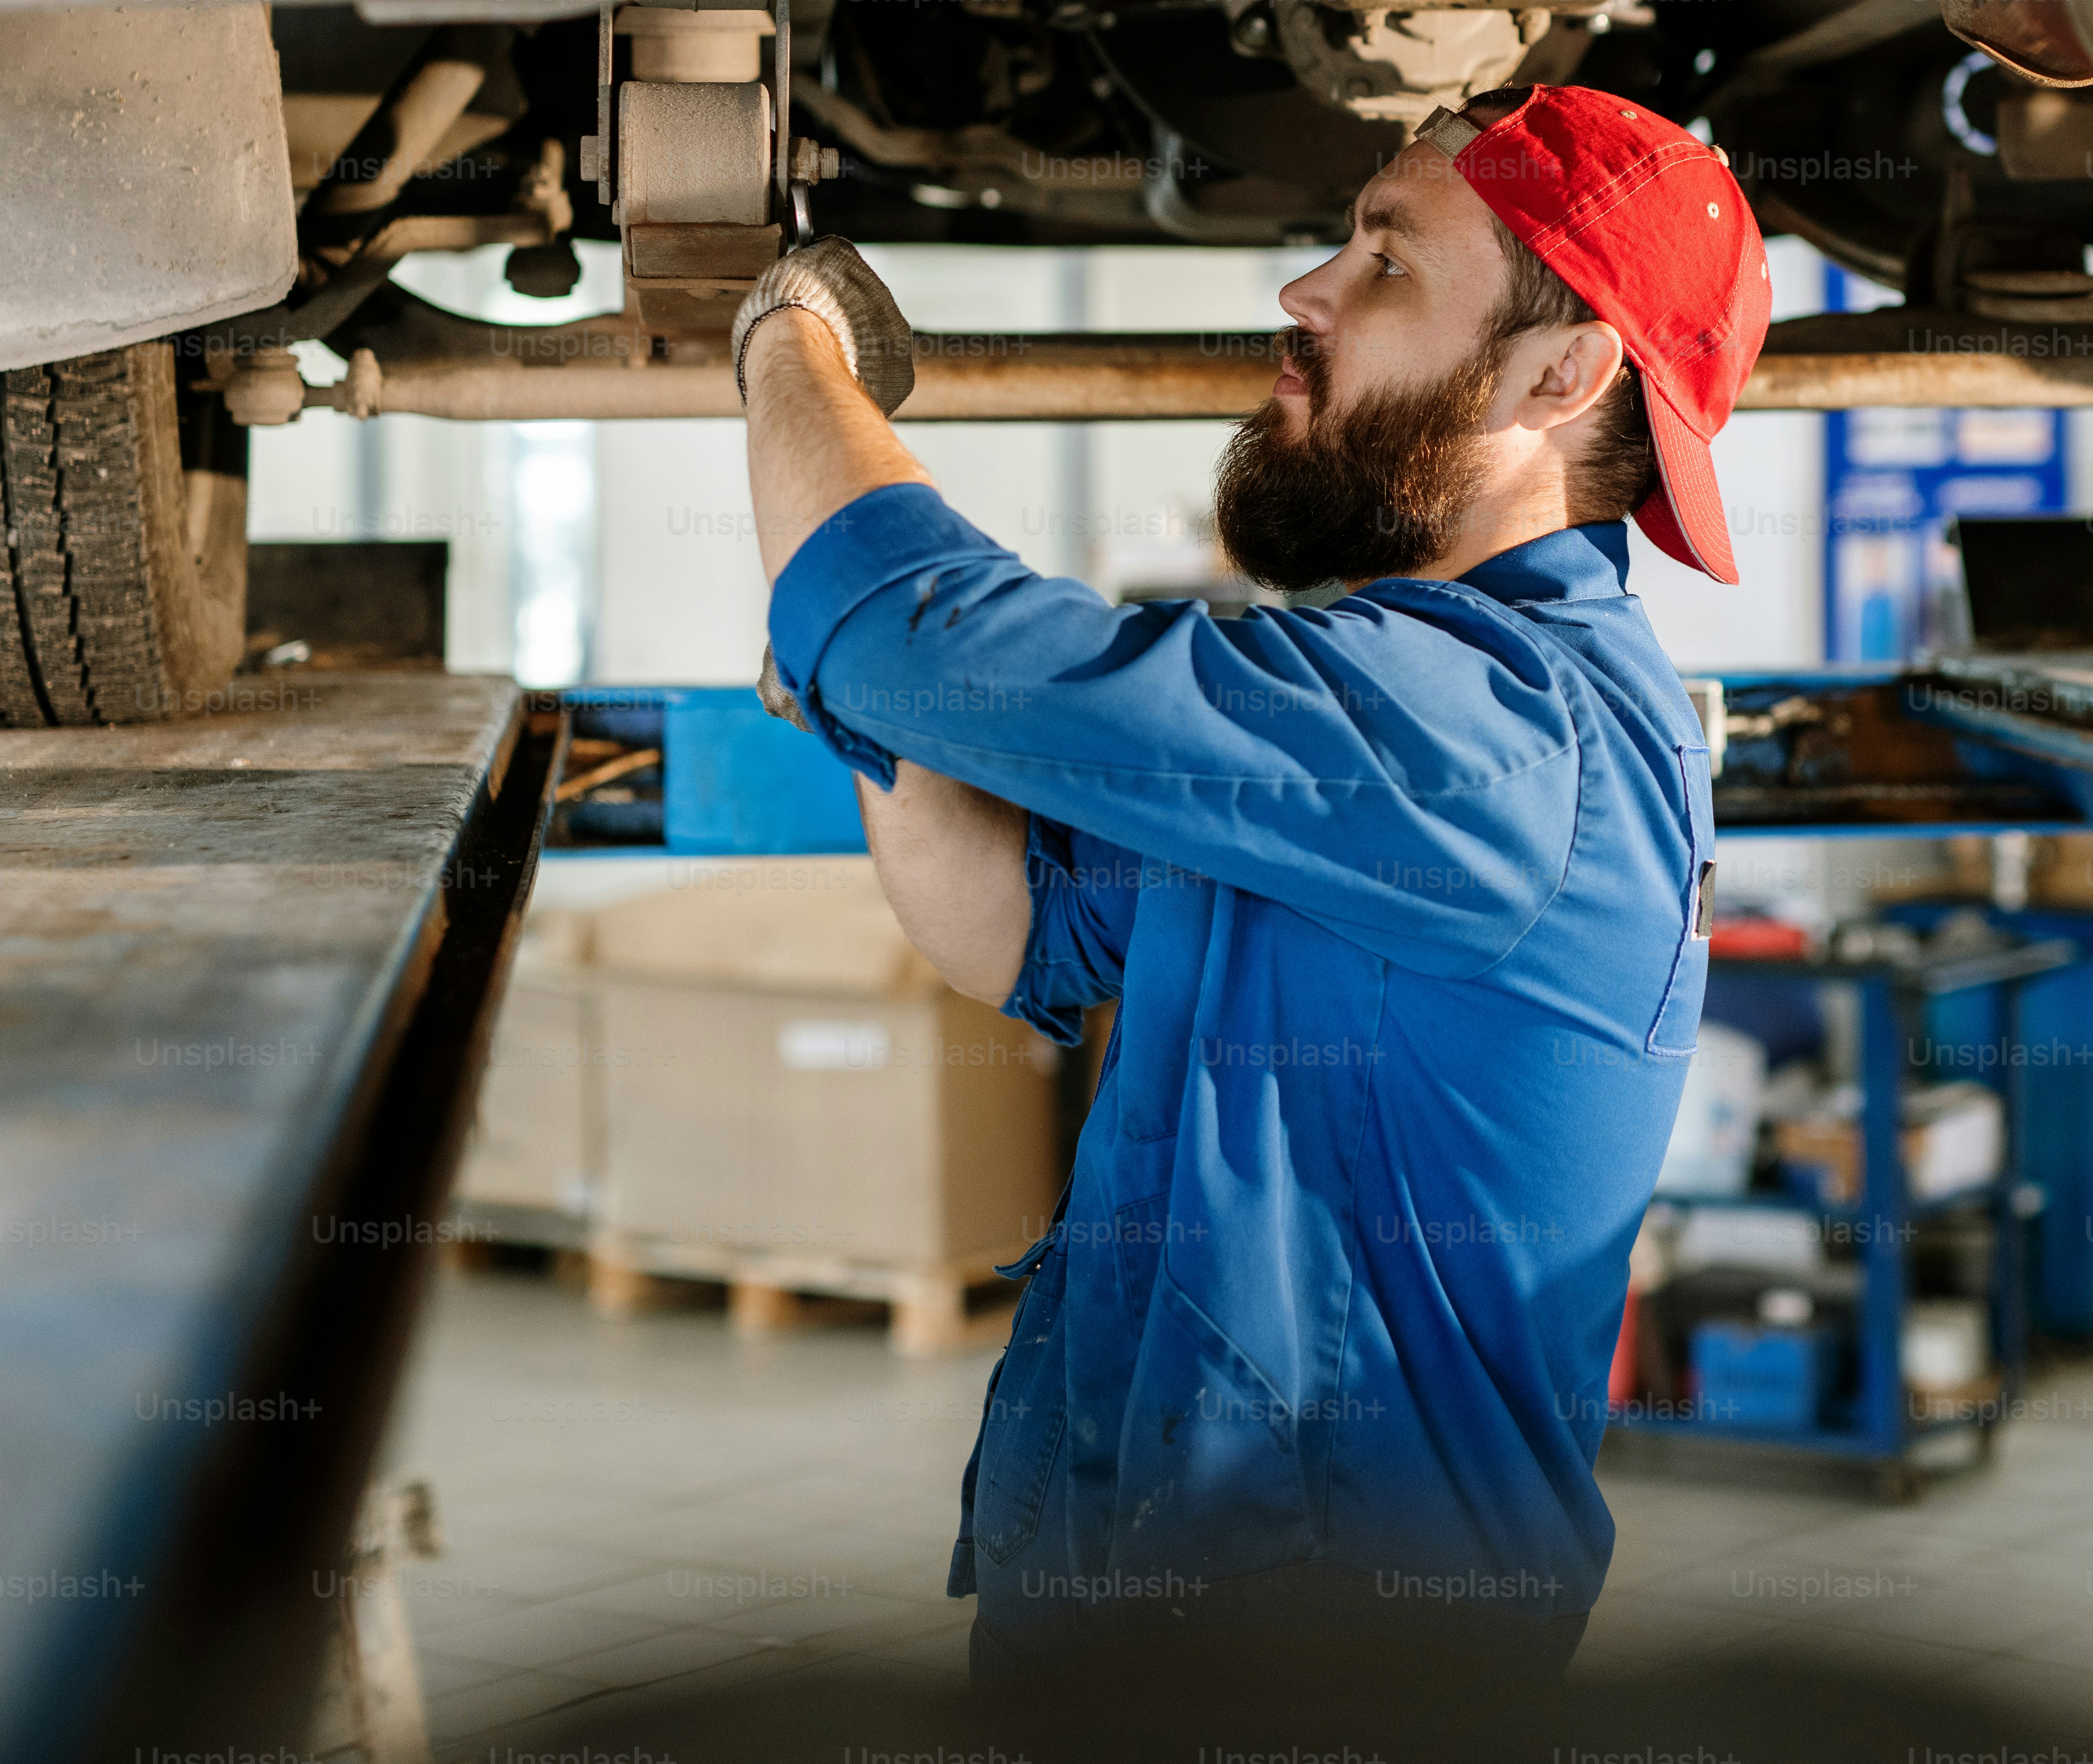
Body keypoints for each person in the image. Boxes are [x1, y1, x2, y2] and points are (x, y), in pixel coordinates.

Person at [731, 83, 1772, 1684]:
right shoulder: (1382, 702)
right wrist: (890, 717)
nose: (1303, 293)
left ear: (1561, 374)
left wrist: (794, 340)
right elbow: (1020, 930)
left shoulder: (1490, 738)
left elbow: (893, 623)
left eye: (1386, 264)